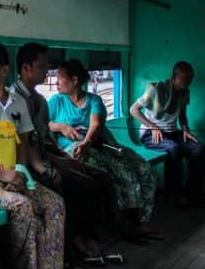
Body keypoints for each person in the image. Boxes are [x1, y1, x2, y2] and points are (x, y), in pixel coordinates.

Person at [0, 42, 68, 269]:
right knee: (23, 207)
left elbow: (24, 145)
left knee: (53, 203)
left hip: (12, 176)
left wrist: (31, 170)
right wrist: (2, 175)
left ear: (5, 70)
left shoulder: (18, 102)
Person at [11, 43, 119, 265]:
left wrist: (59, 155)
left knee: (99, 178)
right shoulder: (14, 99)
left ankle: (93, 237)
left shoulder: (38, 99)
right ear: (26, 68)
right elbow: (24, 142)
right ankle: (74, 245)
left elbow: (42, 137)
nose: (47, 72)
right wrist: (45, 165)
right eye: (42, 67)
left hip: (48, 155)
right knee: (74, 186)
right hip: (29, 164)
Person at [48, 59, 159, 240]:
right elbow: (45, 124)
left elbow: (96, 124)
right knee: (122, 174)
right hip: (73, 148)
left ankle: (141, 220)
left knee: (142, 167)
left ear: (74, 80)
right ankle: (126, 224)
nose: (57, 82)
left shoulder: (94, 100)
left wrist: (86, 143)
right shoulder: (56, 101)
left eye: (60, 78)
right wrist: (61, 127)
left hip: (99, 144)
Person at [130, 61, 205, 207]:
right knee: (174, 149)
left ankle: (193, 195)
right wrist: (152, 127)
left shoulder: (185, 92)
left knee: (201, 149)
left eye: (190, 79)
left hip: (172, 133)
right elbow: (133, 110)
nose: (188, 82)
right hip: (150, 133)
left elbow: (182, 116)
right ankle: (174, 196)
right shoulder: (155, 89)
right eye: (184, 78)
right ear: (175, 77)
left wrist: (185, 129)